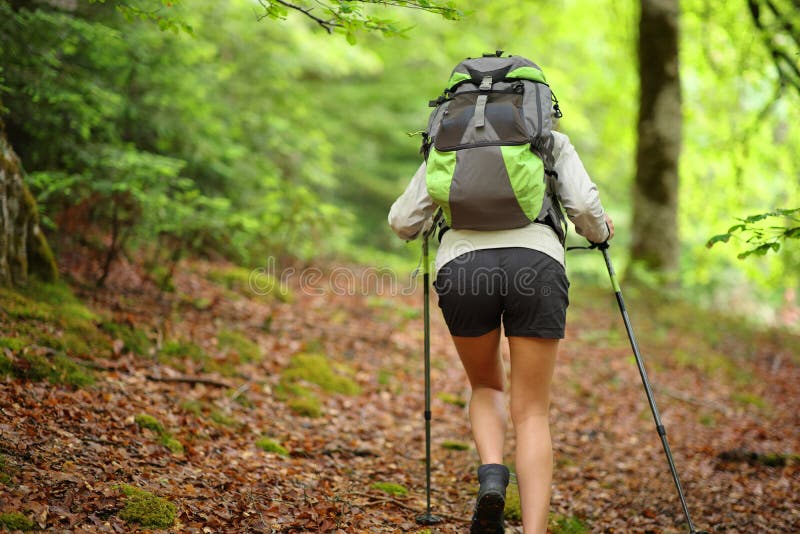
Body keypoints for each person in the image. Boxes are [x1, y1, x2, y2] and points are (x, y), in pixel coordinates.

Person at [388, 129, 614, 533]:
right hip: (537, 264)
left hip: (463, 267)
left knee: (486, 386)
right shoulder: (547, 139)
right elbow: (583, 207)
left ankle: (493, 474)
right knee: (532, 411)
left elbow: (403, 221)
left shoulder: (447, 141)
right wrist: (602, 231)